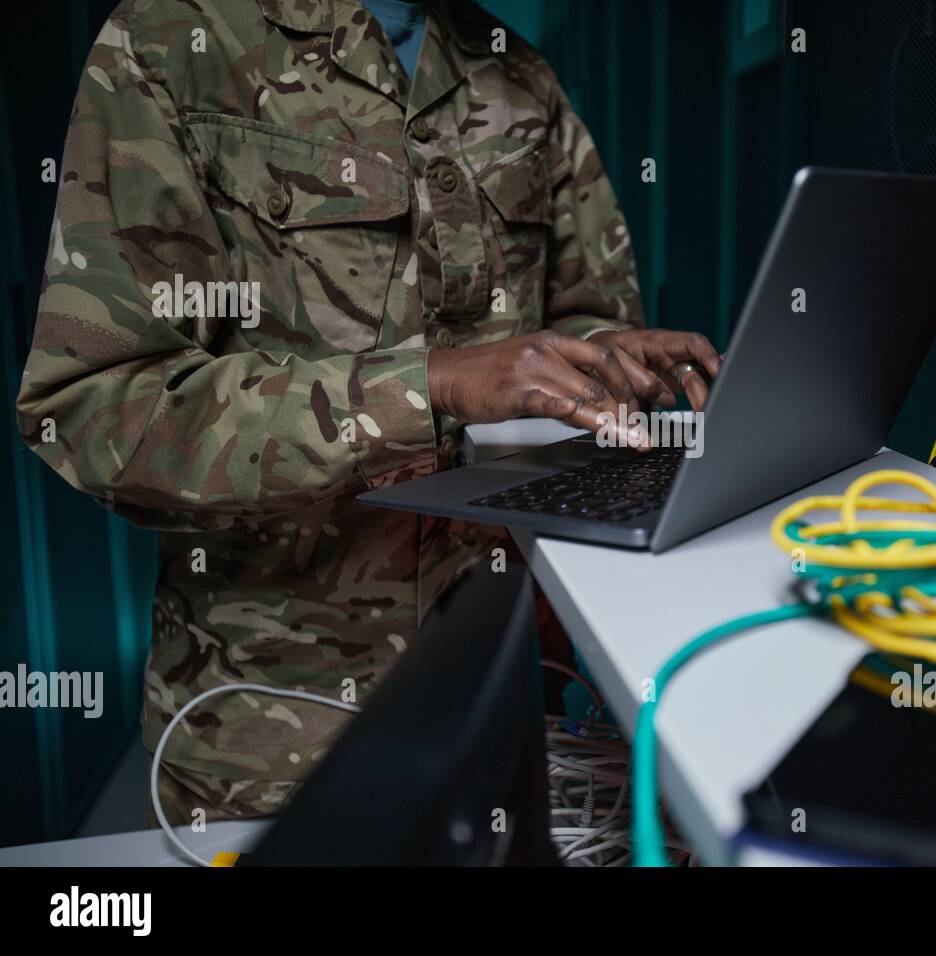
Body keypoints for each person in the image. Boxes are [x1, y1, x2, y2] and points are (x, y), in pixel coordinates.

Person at [15, 0, 720, 825]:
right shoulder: (172, 41)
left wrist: (612, 356)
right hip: (272, 742)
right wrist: (432, 386)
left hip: (497, 699)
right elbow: (100, 410)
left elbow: (576, 315)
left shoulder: (518, 73)